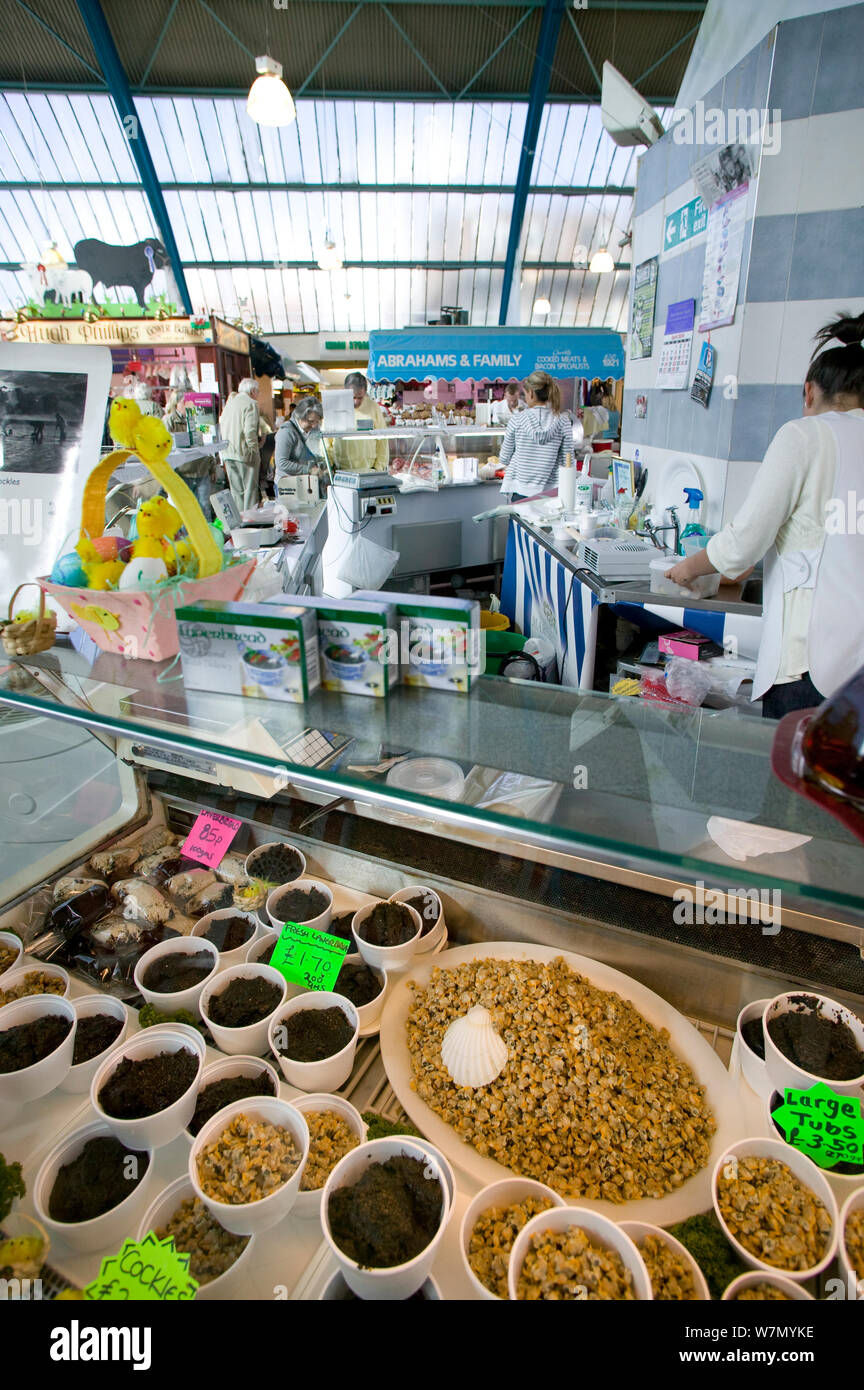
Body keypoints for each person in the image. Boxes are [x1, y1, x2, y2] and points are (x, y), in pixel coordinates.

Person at [666, 310, 864, 720]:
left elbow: (744, 542)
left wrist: (688, 567)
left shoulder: (805, 435)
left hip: (812, 665)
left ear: (808, 391)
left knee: (795, 780)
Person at [499, 370, 571, 502]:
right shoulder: (563, 421)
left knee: (520, 523)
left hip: (520, 491)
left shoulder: (517, 419)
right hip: (551, 493)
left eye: (525, 394)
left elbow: (504, 458)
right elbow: (568, 461)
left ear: (531, 393)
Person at [329, 371, 388, 471]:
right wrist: (329, 467)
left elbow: (383, 440)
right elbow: (326, 442)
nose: (356, 401)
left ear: (365, 392)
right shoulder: (334, 407)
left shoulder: (373, 407)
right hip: (341, 469)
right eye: (352, 397)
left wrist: (378, 467)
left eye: (360, 397)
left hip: (369, 469)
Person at [218, 377, 261, 512]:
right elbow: (250, 431)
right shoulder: (250, 404)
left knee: (236, 492)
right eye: (258, 392)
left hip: (227, 452)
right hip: (244, 454)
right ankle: (250, 523)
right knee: (250, 490)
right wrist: (254, 450)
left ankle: (239, 523)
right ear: (253, 391)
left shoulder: (230, 404)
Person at [275, 396, 324, 477]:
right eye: (311, 421)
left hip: (306, 481)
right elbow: (282, 463)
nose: (314, 425)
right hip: (289, 484)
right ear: (300, 417)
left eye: (317, 421)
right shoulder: (286, 431)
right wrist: (308, 470)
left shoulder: (314, 429)